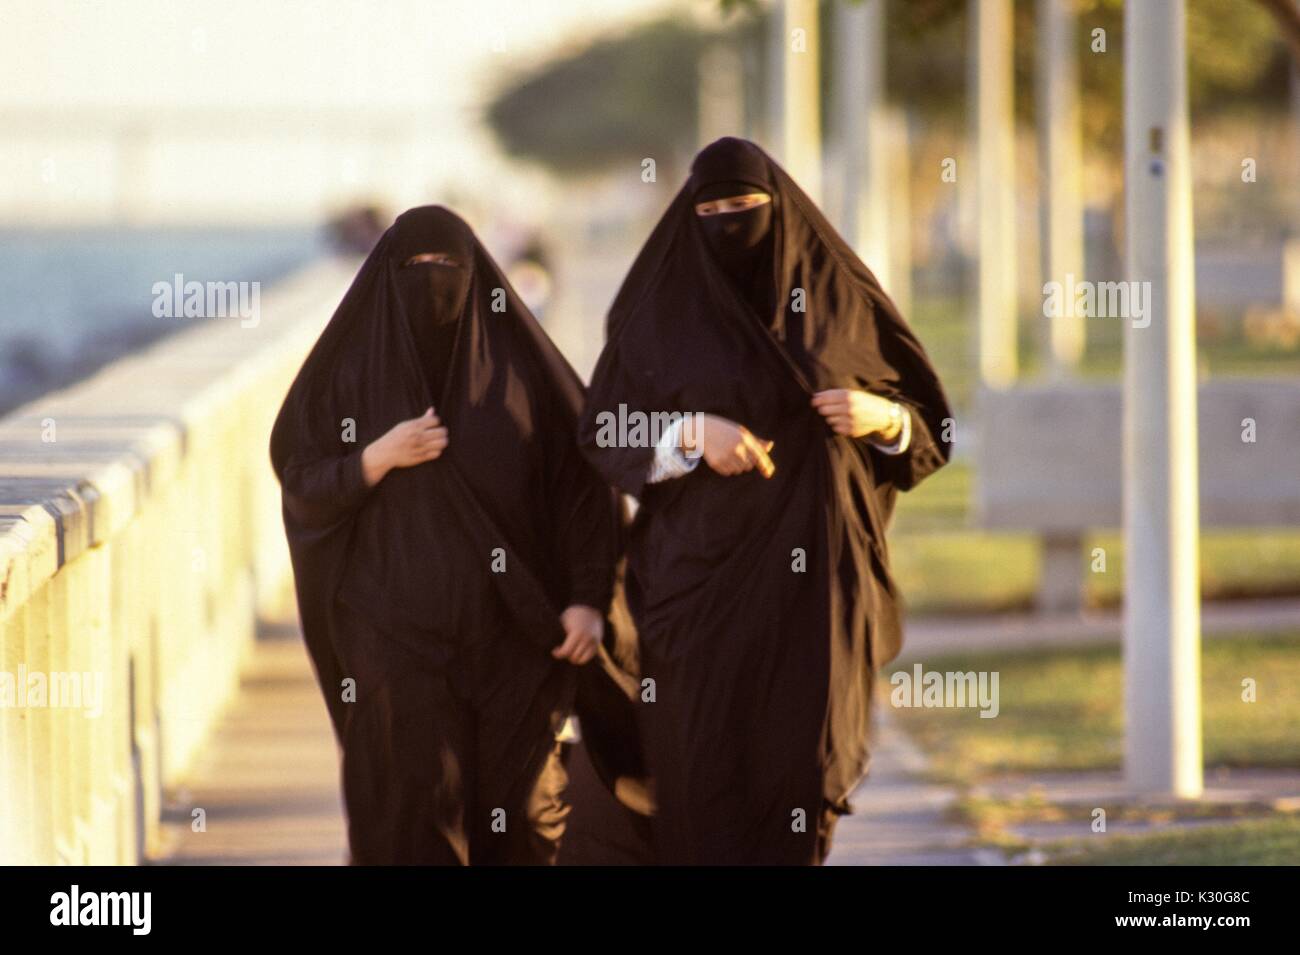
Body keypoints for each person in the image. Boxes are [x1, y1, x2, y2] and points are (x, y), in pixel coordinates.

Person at [578, 137, 952, 865]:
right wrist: (690, 436)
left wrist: (882, 419)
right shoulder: (660, 311)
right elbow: (602, 430)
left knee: (804, 776)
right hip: (696, 593)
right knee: (701, 784)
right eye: (710, 210)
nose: (727, 224)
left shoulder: (840, 297)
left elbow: (930, 427)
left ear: (780, 210)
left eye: (744, 209)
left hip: (816, 596)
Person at [270, 206, 620, 865]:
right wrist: (376, 458)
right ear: (386, 279)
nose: (434, 285)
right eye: (415, 271)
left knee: (524, 818)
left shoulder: (523, 377)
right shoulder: (349, 376)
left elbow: (584, 490)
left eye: (449, 270)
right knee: (413, 816)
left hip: (519, 635)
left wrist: (587, 596)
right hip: (393, 634)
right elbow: (301, 479)